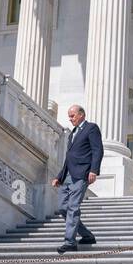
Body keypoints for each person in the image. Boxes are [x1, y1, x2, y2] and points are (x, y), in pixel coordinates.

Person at [51, 105, 102, 254]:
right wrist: (59, 176)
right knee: (62, 207)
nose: (70, 118)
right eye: (69, 116)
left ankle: (70, 241)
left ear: (81, 115)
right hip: (67, 175)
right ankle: (87, 235)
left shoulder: (91, 128)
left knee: (72, 206)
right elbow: (69, 158)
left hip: (81, 174)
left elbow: (97, 150)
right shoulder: (72, 133)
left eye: (72, 115)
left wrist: (94, 170)